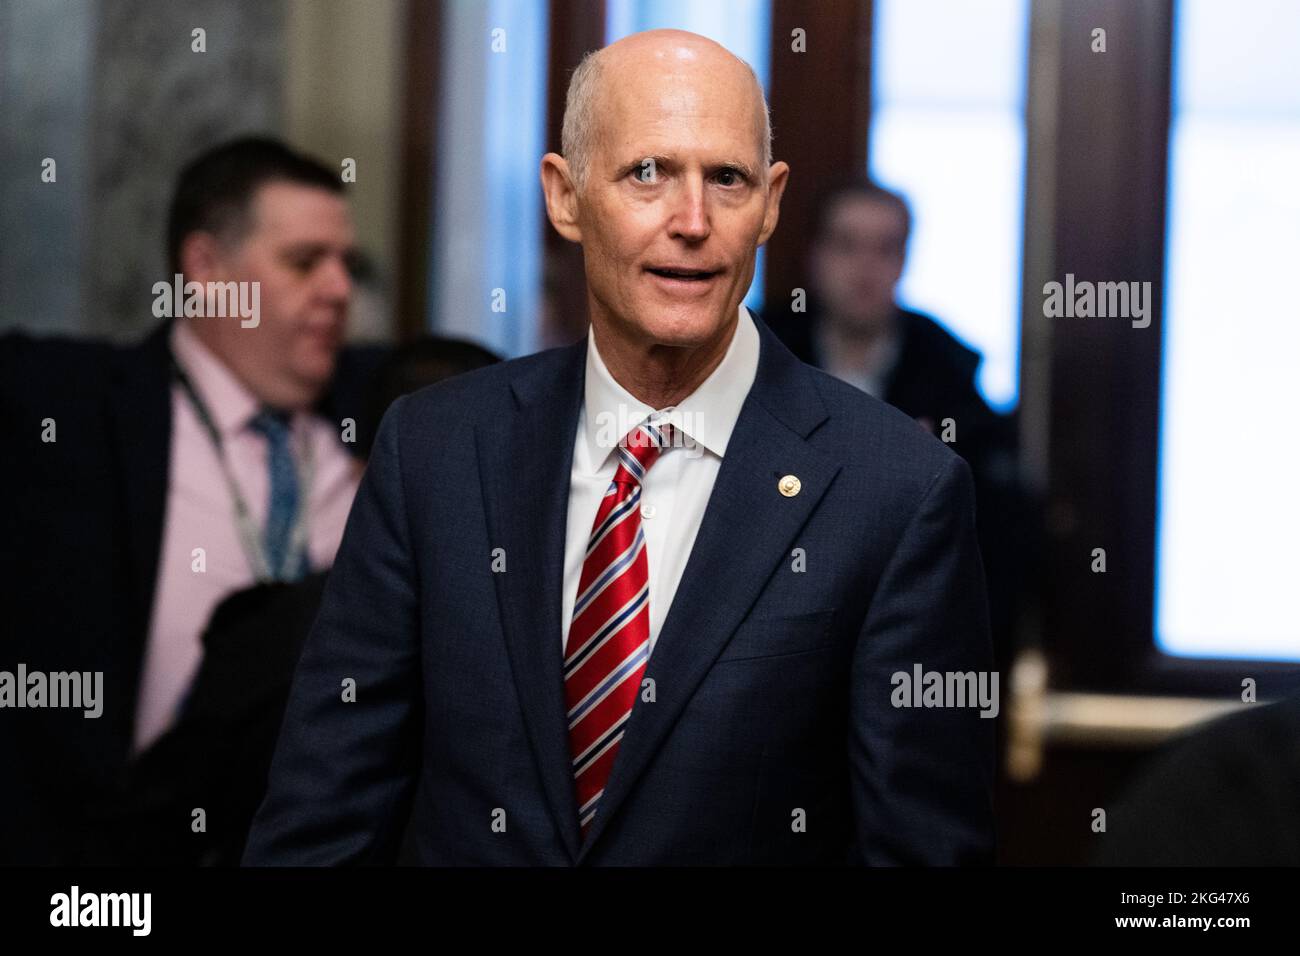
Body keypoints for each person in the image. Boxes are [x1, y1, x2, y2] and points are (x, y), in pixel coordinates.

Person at [244, 30, 995, 866]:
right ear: (565, 196)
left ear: (771, 204)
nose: (693, 222)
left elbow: (921, 852)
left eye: (728, 179)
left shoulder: (895, 491)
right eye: (648, 173)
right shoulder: (437, 452)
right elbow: (325, 815)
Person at [0, 136, 383, 865]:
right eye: (306, 262)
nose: (339, 290)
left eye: (347, 265)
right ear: (206, 270)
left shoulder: (388, 416)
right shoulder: (67, 407)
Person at [767, 179, 1023, 669]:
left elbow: (996, 536)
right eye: (847, 246)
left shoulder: (950, 378)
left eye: (886, 249)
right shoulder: (762, 358)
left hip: (904, 645)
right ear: (814, 256)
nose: (865, 268)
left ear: (905, 261)